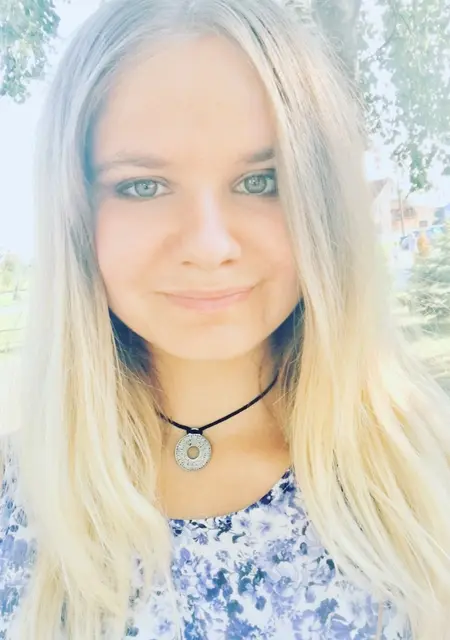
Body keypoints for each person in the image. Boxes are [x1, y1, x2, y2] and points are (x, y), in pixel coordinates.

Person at [1, 0, 449, 638]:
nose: (210, 245)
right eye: (144, 186)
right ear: (75, 210)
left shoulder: (426, 476)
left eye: (261, 181)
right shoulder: (17, 497)